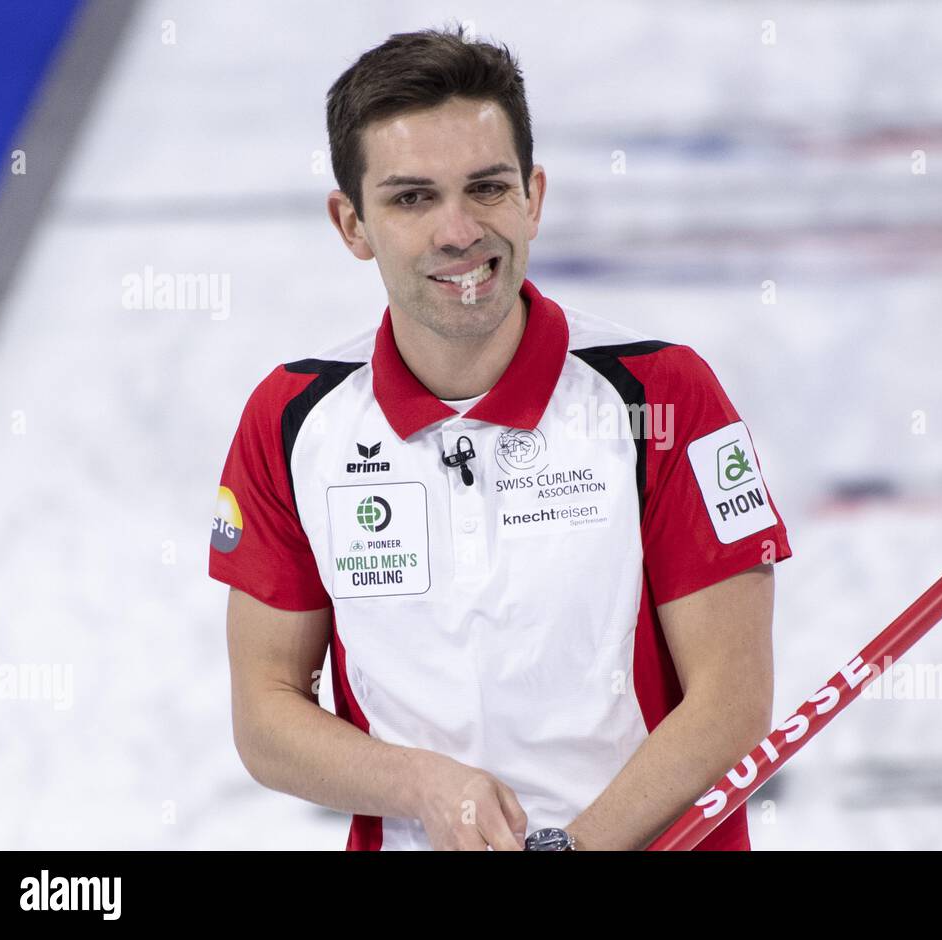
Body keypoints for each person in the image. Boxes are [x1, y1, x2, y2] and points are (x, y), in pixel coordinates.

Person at [208, 25, 793, 851]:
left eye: (486, 188)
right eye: (412, 198)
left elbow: (732, 700)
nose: (458, 232)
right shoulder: (294, 417)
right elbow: (267, 712)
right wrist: (424, 784)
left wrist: (579, 846)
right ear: (352, 224)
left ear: (534, 197)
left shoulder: (659, 398)